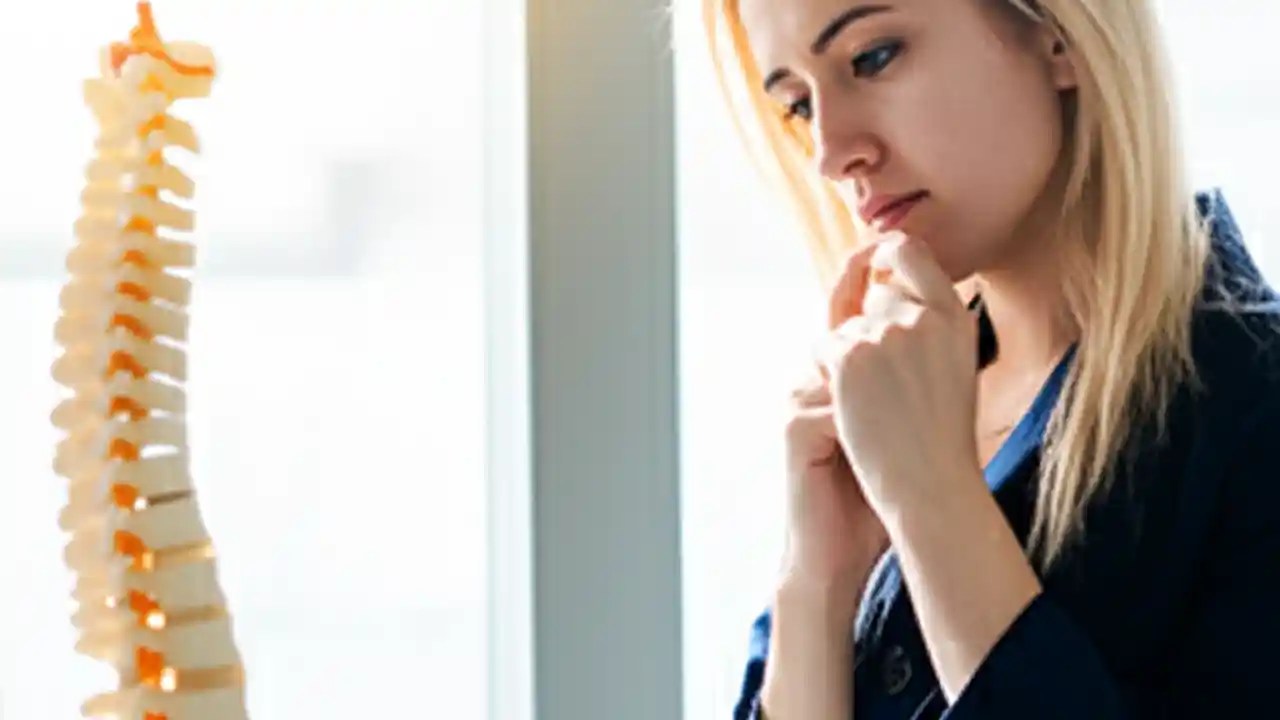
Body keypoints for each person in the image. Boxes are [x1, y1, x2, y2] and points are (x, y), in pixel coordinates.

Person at [699, 0, 1280, 717]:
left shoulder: (1248, 418)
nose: (829, 149)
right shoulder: (886, 394)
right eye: (797, 105)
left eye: (872, 57)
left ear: (1059, 34)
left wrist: (934, 502)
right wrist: (817, 581)